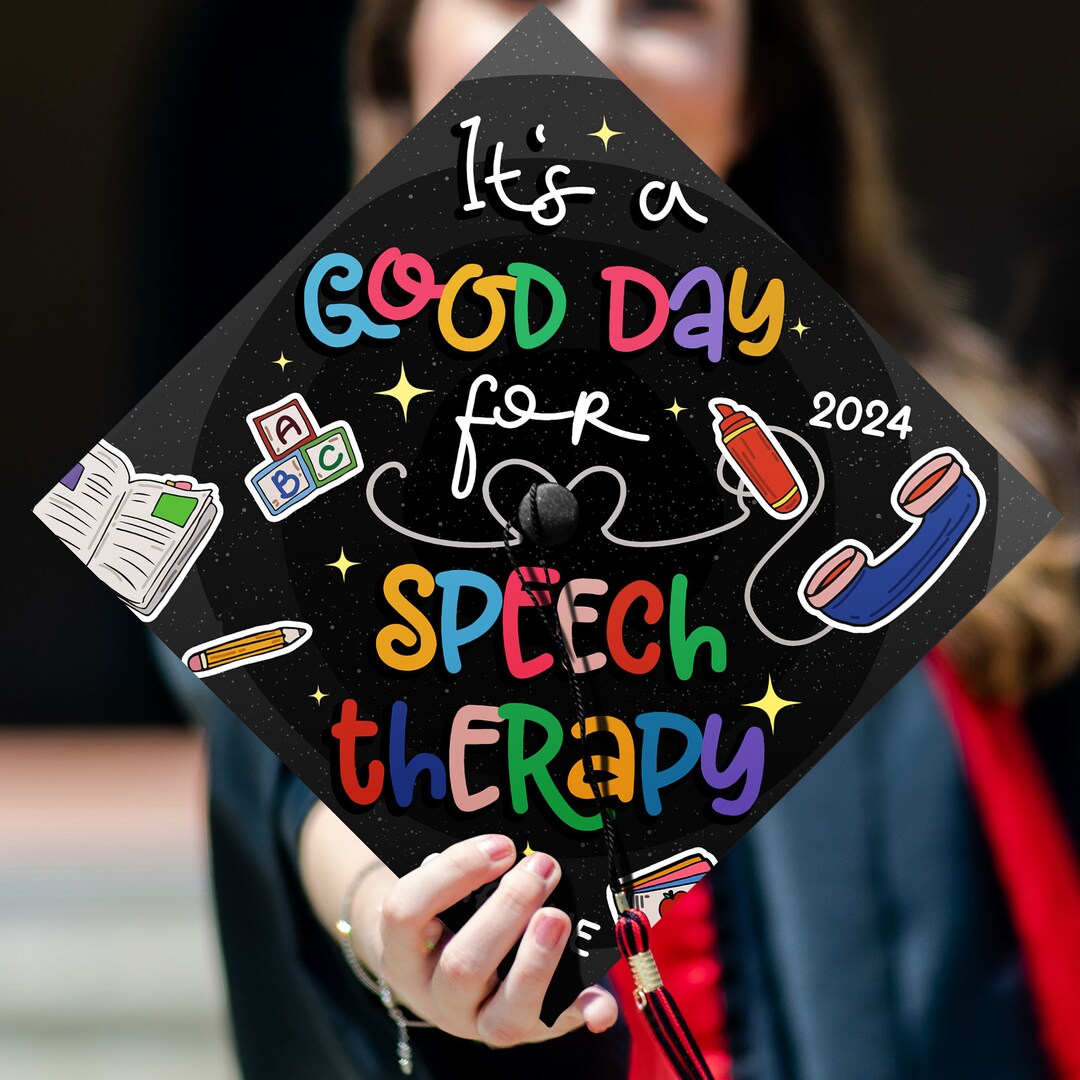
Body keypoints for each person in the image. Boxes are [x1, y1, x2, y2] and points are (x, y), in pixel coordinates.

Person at [178, 1, 1080, 1077]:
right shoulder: (294, 494)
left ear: (758, 91)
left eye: (665, 6)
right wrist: (388, 916)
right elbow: (302, 780)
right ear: (399, 66)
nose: (589, 50)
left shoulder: (951, 470)